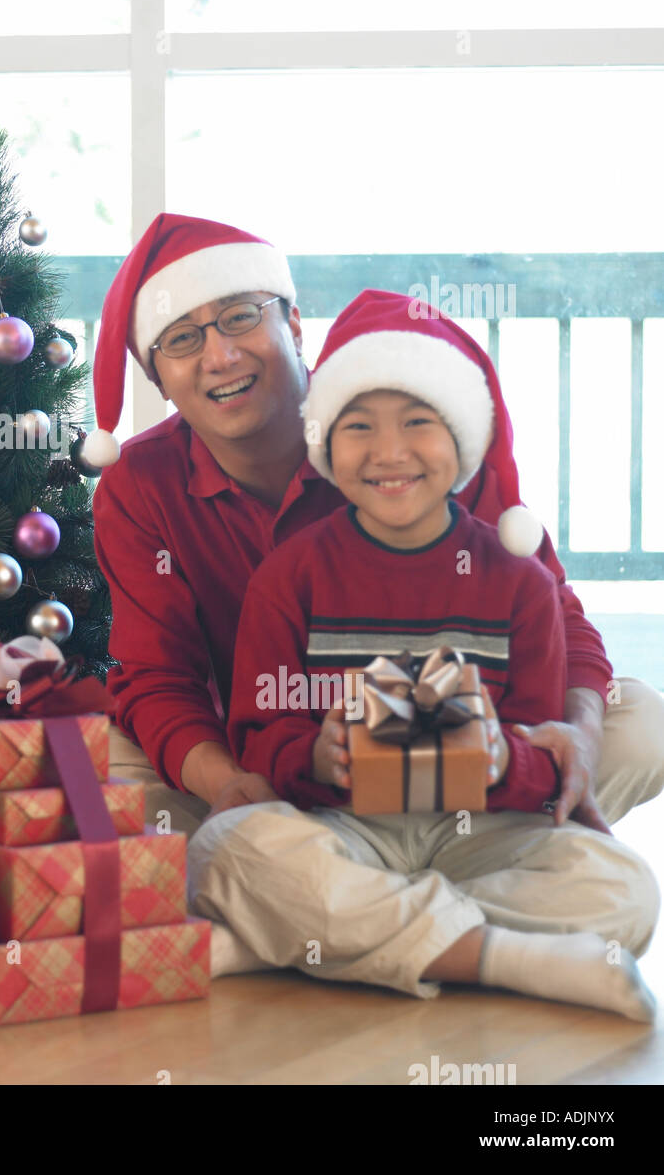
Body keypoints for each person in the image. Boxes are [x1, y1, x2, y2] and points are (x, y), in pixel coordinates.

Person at [85, 215, 664, 862]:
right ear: (157, 377)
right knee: (106, 777)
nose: (219, 355)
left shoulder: (404, 436)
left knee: (641, 724)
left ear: (294, 323)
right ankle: (434, 874)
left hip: (458, 742)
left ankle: (368, 879)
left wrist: (578, 736)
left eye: (241, 316)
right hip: (276, 752)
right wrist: (233, 785)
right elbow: (157, 677)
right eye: (183, 338)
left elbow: (557, 615)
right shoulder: (138, 485)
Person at [186, 292, 658, 1020]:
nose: (389, 452)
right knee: (225, 849)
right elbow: (259, 734)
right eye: (358, 427)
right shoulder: (291, 573)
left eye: (418, 423)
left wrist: (505, 760)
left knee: (625, 888)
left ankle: (309, 936)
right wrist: (315, 757)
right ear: (326, 444)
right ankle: (505, 956)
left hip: (485, 830)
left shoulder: (518, 582)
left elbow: (541, 755)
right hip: (343, 824)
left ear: (463, 441)